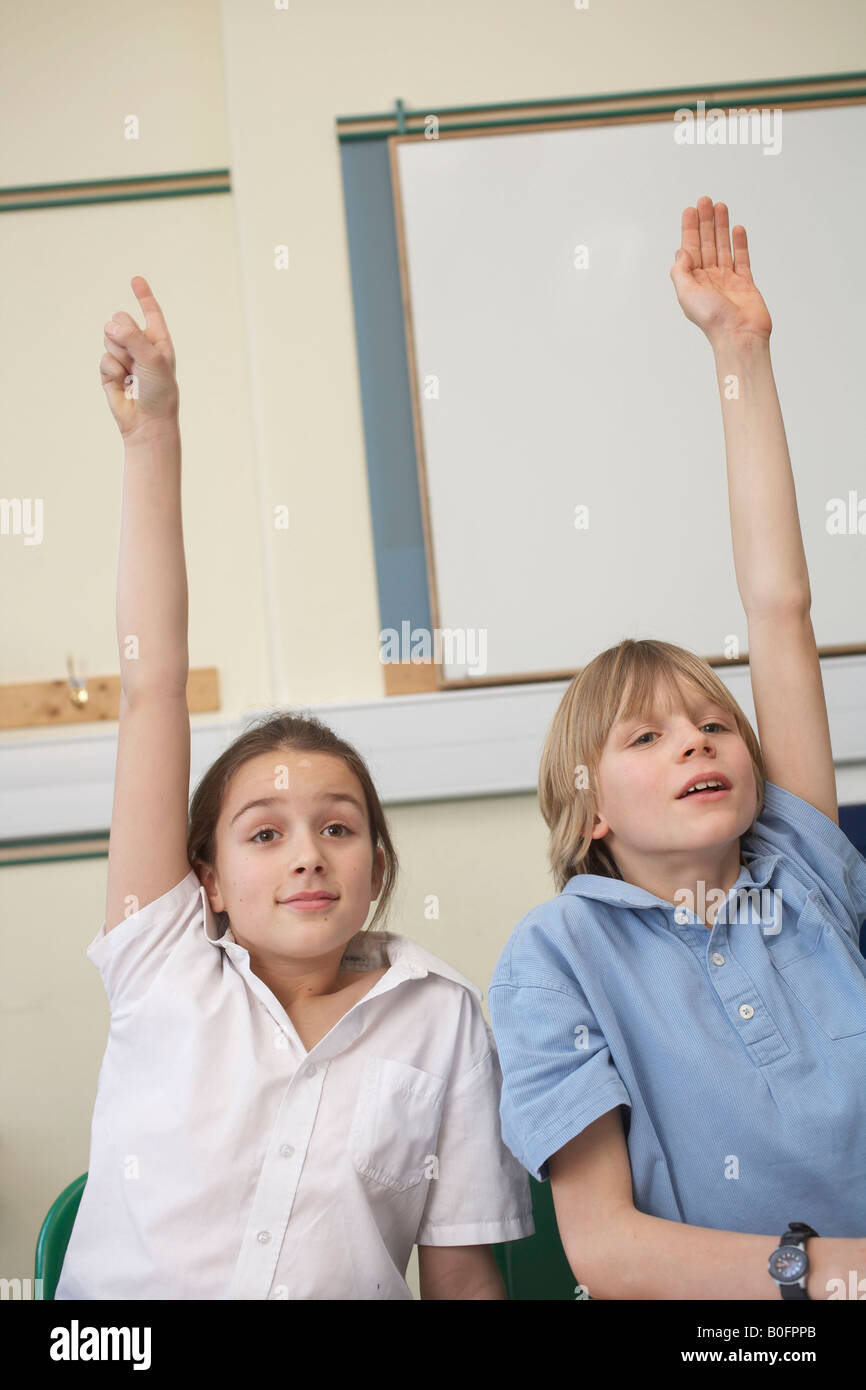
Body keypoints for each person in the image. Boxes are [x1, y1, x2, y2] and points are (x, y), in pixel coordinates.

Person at [54, 277, 532, 1300]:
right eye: (263, 833)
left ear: (376, 868)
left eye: (337, 826)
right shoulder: (161, 963)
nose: (308, 850)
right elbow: (149, 691)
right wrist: (154, 438)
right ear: (207, 880)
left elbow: (458, 1277)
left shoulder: (440, 1016)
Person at [488, 196, 866, 1301]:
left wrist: (738, 350)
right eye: (645, 736)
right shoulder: (555, 954)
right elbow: (605, 1249)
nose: (696, 743)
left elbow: (779, 609)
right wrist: (837, 1281)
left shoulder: (798, 863)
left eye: (710, 723)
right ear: (588, 807)